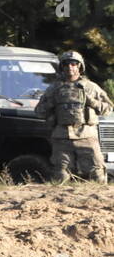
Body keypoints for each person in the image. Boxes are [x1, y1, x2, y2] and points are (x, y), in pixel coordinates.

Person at [34, 51, 112, 183]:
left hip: (86, 136)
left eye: (74, 63)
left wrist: (91, 102)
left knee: (97, 174)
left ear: (79, 66)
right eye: (66, 64)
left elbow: (108, 109)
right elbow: (39, 112)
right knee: (60, 176)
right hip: (62, 138)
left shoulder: (91, 87)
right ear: (62, 67)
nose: (70, 67)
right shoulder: (54, 89)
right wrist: (53, 101)